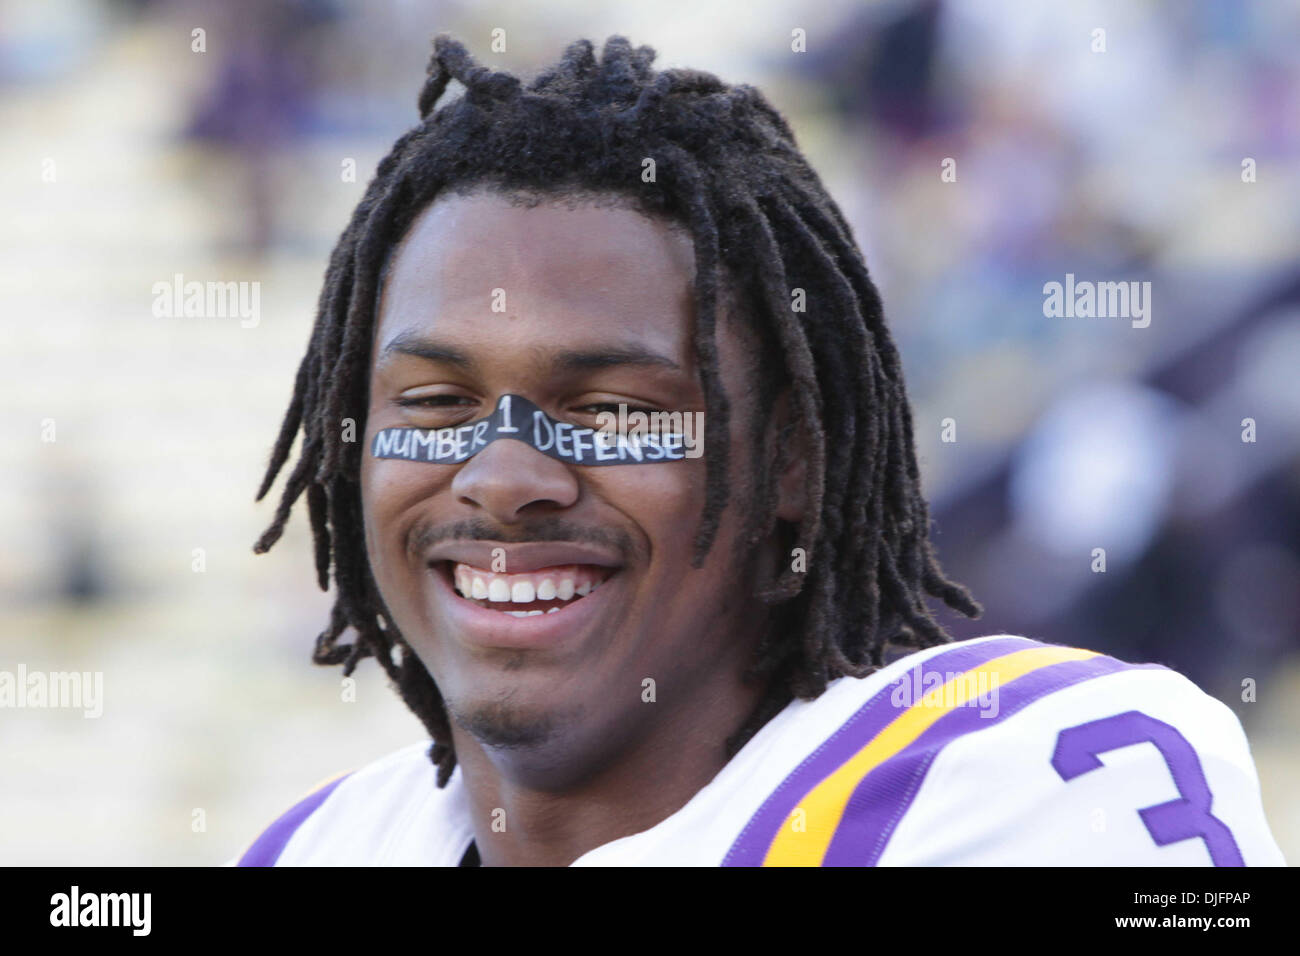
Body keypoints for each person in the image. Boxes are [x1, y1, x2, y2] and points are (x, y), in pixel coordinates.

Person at [231, 35, 1284, 866]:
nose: (504, 475)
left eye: (608, 408)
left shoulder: (1029, 778)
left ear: (790, 460)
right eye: (437, 400)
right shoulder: (311, 847)